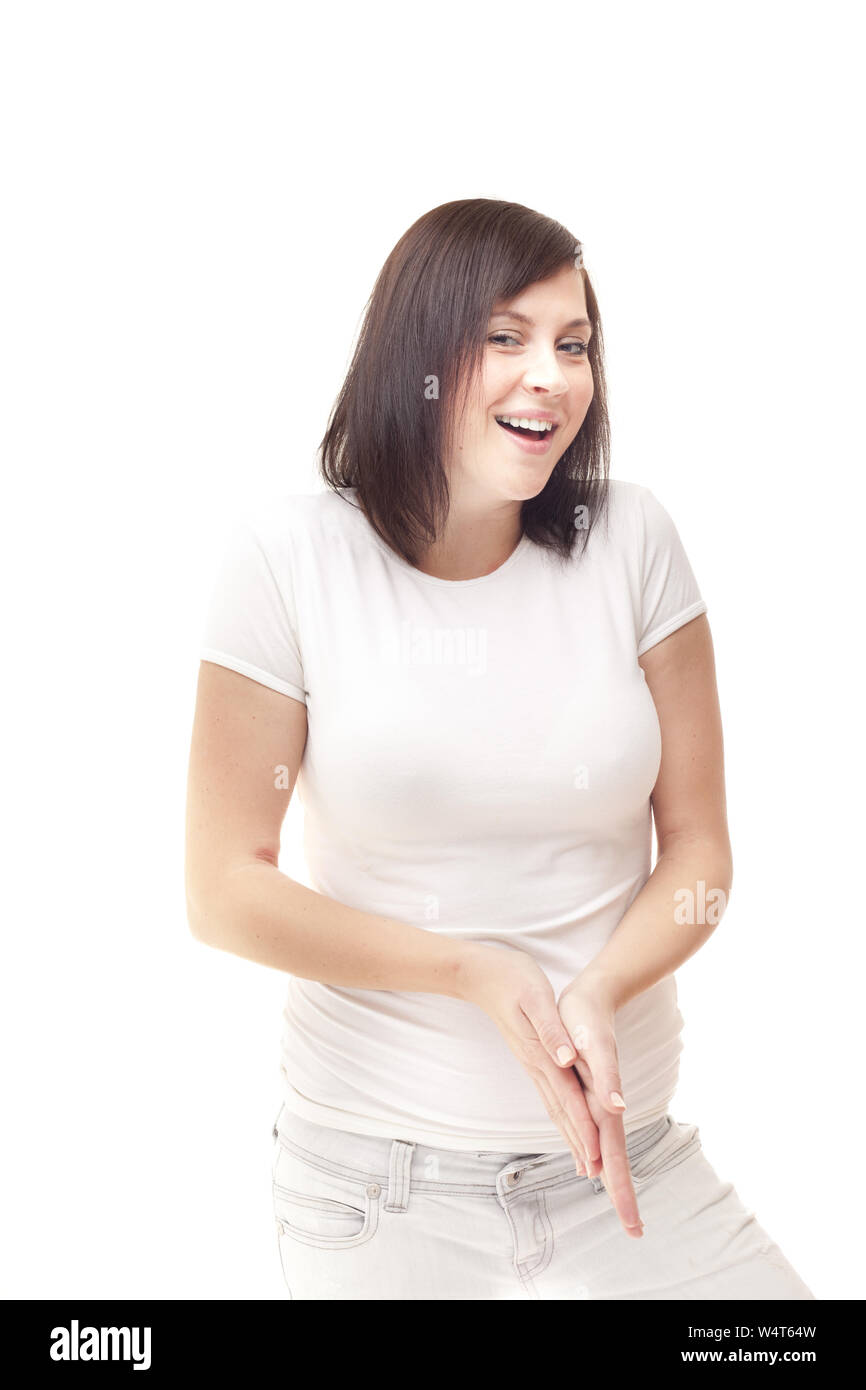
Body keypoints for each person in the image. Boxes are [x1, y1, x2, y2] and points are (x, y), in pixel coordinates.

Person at [184, 198, 815, 1301]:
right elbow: (222, 887)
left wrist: (598, 988)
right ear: (415, 354)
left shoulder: (632, 542)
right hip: (376, 1191)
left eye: (572, 344)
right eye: (505, 337)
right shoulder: (289, 558)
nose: (553, 375)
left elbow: (699, 852)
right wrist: (473, 969)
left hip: (626, 1165)